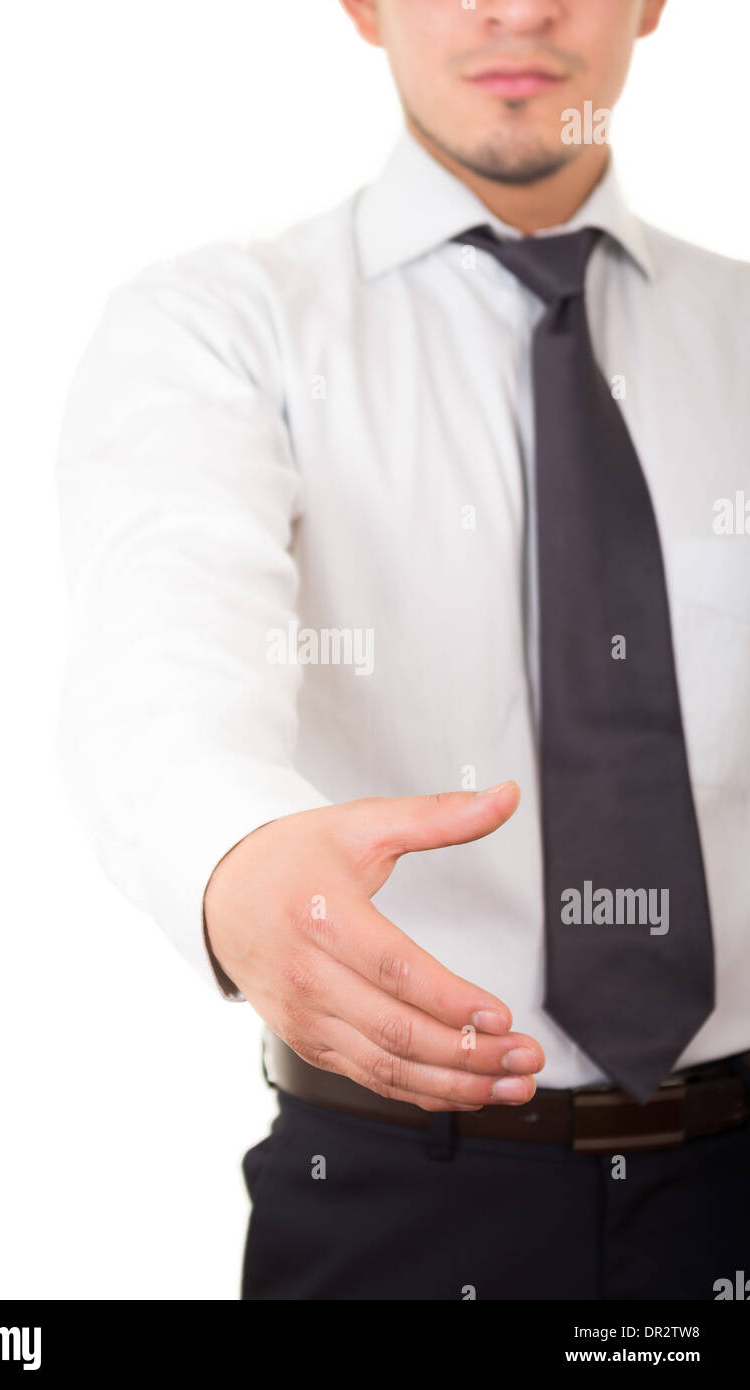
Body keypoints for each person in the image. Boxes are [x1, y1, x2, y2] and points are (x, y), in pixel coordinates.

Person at [56, 0, 750, 1300]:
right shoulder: (224, 325)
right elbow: (158, 649)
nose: (520, 8)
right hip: (395, 1201)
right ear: (363, 5)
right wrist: (235, 857)